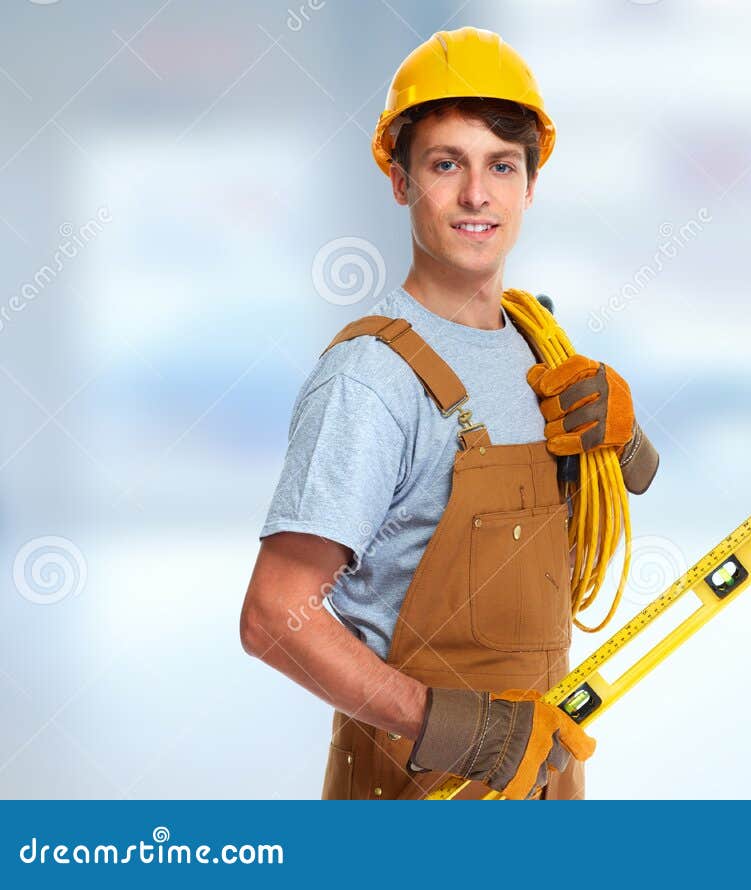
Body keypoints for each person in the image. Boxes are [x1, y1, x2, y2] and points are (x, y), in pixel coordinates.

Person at [239, 26, 658, 800]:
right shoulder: (370, 379)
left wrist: (629, 443)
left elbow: (603, 499)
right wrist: (458, 730)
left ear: (530, 184)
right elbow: (274, 615)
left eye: (501, 165)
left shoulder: (541, 340)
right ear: (400, 182)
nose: (476, 194)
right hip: (417, 795)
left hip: (544, 781)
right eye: (445, 165)